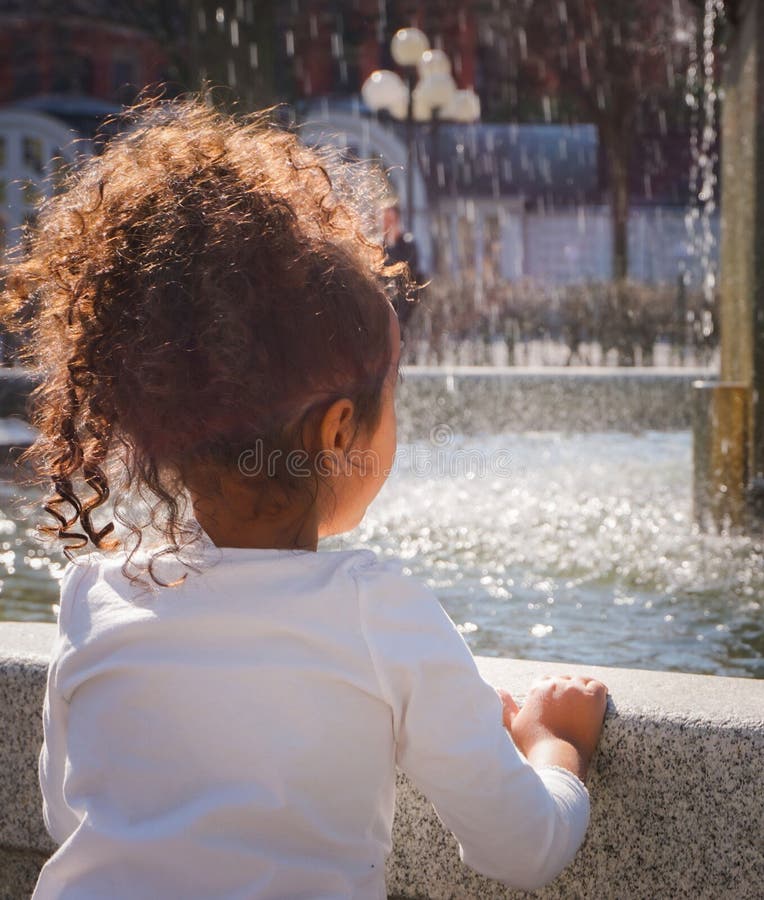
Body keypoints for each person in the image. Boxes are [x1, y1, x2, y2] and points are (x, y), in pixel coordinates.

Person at [3, 98, 607, 900]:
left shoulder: (95, 595)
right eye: (396, 396)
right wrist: (552, 745)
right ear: (338, 432)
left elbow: (68, 813)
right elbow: (524, 847)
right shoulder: (379, 615)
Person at [382, 202, 420, 331]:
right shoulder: (379, 247)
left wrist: (392, 244)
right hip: (384, 306)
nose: (388, 225)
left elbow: (405, 271)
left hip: (404, 306)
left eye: (391, 220)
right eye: (386, 220)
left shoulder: (408, 244)